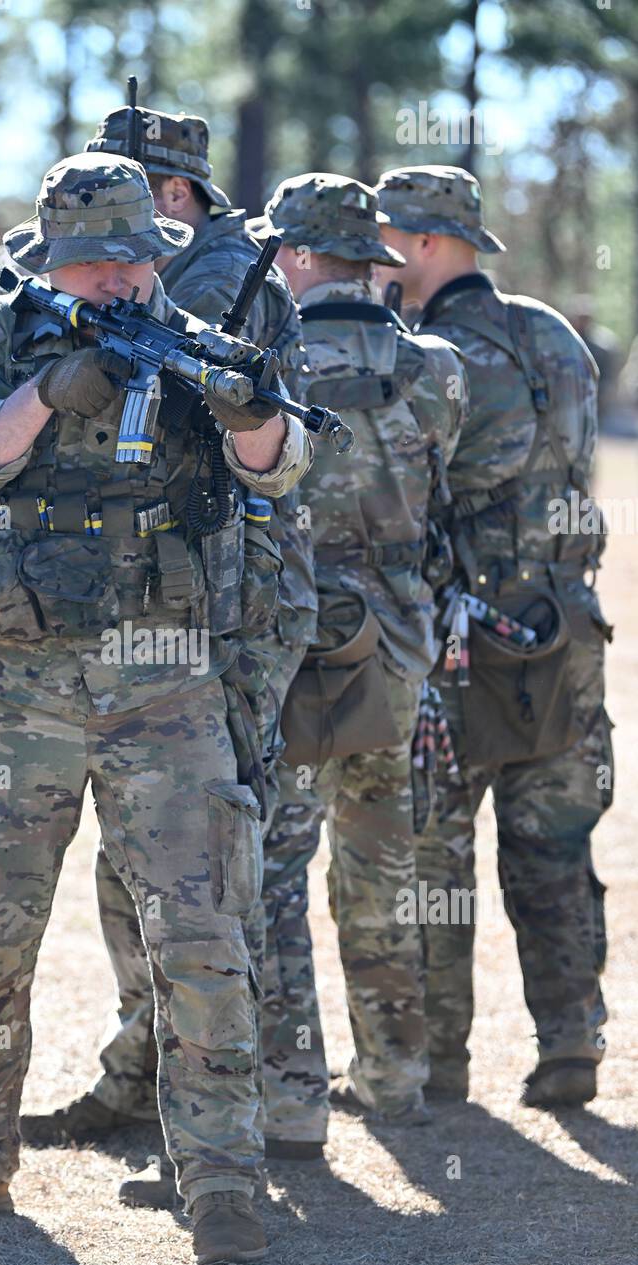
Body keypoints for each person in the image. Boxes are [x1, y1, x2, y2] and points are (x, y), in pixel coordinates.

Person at [0, 152, 313, 1265]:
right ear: (51, 261)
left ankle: (223, 1179)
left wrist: (245, 411)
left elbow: (280, 471)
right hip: (15, 683)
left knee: (201, 938)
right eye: (86, 265)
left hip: (167, 679)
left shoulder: (198, 338)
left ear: (154, 255)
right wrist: (43, 397)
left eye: (126, 261)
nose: (109, 281)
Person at [21, 104, 320, 1203]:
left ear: (172, 197)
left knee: (209, 860)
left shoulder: (201, 285)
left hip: (219, 605)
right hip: (201, 599)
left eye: (128, 199)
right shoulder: (219, 271)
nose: (111, 242)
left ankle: (234, 1115)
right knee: (199, 854)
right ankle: (180, 1087)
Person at [376, 164, 612, 1108]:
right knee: (552, 841)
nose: (378, 260)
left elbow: (416, 494)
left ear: (428, 244)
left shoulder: (427, 356)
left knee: (436, 850)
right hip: (561, 627)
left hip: (461, 639)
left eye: (389, 240)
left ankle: (440, 1057)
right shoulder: (553, 336)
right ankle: (569, 1041)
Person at [239, 172, 467, 1127]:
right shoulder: (437, 367)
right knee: (381, 874)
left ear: (293, 257)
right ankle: (394, 1076)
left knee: (276, 875)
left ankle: (292, 1102)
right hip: (397, 653)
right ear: (368, 260)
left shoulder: (258, 367)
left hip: (291, 652)